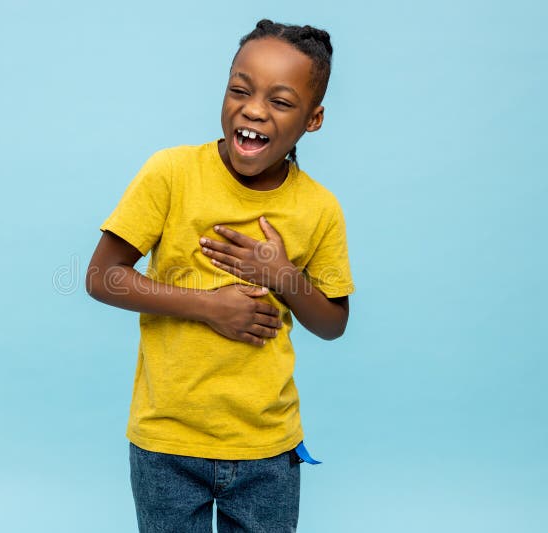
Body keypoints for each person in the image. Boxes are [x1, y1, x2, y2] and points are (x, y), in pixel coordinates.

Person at [86, 18, 355, 533]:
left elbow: (333, 323)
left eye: (281, 101)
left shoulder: (319, 208)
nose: (253, 109)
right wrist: (211, 307)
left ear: (313, 119)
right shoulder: (171, 173)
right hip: (168, 442)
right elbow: (103, 277)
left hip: (267, 448)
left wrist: (281, 275)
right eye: (240, 90)